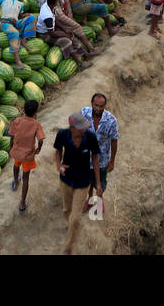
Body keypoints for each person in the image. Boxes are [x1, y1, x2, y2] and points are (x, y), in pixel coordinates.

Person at [53, 113, 101, 255]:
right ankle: (71, 228)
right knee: (67, 210)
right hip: (66, 180)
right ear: (72, 127)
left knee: (75, 218)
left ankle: (68, 248)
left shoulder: (90, 137)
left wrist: (98, 183)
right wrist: (58, 165)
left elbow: (96, 159)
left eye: (84, 127)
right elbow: (58, 151)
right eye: (80, 128)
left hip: (83, 181)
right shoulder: (62, 134)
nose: (83, 130)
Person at [8, 99, 44, 214]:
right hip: (28, 155)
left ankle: (15, 181)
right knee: (26, 178)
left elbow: (12, 136)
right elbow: (41, 139)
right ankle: (22, 203)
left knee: (16, 165)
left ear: (23, 110)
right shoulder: (36, 124)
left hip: (17, 152)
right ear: (35, 112)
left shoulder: (17, 120)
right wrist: (38, 149)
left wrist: (11, 147)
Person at [0, 0, 37, 67]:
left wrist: (24, 15)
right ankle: (17, 60)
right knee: (15, 32)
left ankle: (23, 40)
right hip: (5, 23)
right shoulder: (3, 0)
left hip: (15, 23)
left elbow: (19, 16)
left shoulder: (20, 4)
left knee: (32, 18)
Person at [81, 94, 119, 193]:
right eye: (96, 105)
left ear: (105, 106)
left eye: (101, 106)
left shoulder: (111, 120)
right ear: (92, 104)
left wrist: (112, 161)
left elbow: (114, 141)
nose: (98, 108)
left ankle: (99, 200)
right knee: (89, 180)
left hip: (102, 159)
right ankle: (89, 197)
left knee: (100, 184)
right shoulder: (84, 113)